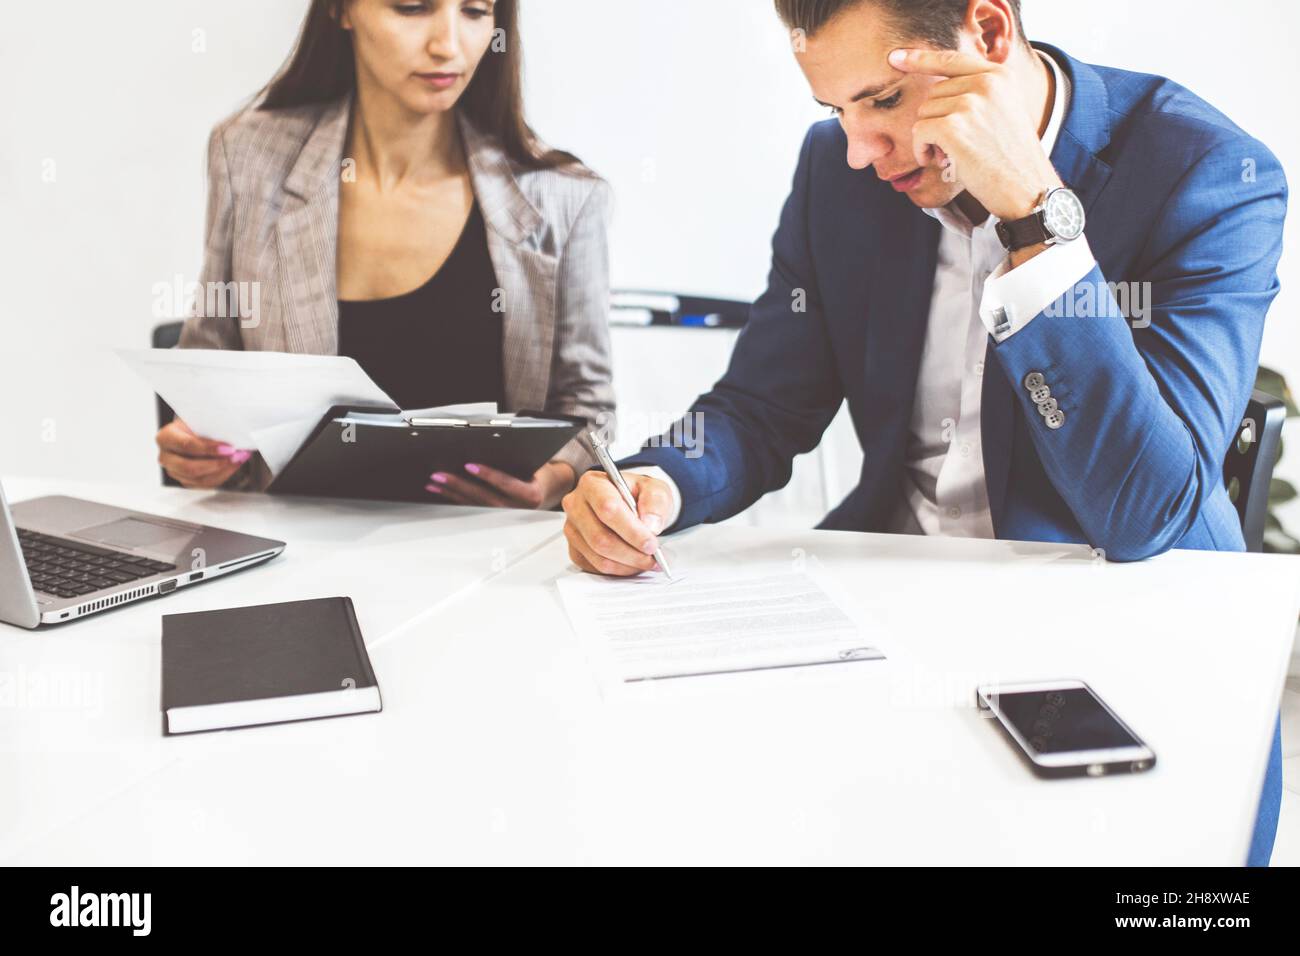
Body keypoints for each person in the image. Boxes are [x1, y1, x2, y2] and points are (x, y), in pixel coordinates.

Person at [560, 0, 1287, 864]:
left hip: (1125, 644)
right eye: (837, 112)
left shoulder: (1206, 170)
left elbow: (1141, 510)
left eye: (883, 100)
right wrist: (658, 483)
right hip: (893, 628)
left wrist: (1035, 215)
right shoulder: (838, 171)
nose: (862, 151)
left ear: (986, 33)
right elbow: (762, 403)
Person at [160, 0, 615, 511]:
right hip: (297, 550)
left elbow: (588, 407)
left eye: (474, 11)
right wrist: (197, 446)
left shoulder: (564, 196)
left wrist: (553, 479)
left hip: (481, 551)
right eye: (412, 7)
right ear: (342, 11)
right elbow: (208, 362)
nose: (448, 46)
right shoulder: (248, 155)